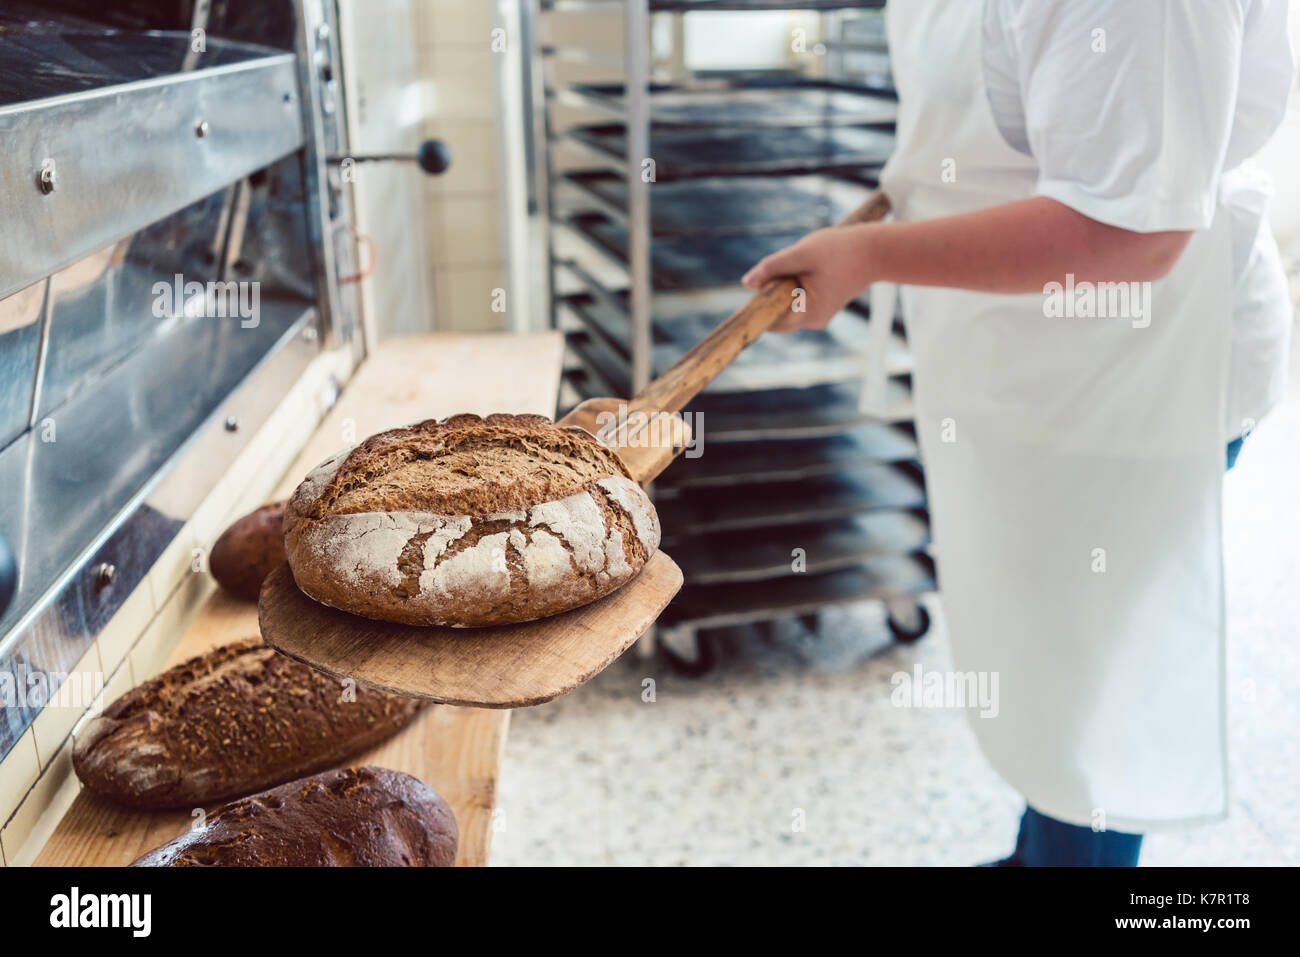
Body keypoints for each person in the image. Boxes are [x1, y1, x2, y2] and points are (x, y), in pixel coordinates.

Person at [743, 0, 1295, 866]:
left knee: (1096, 682)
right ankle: (1039, 852)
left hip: (1139, 368)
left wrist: (873, 258)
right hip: (1020, 355)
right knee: (1048, 652)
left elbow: (1132, 231)